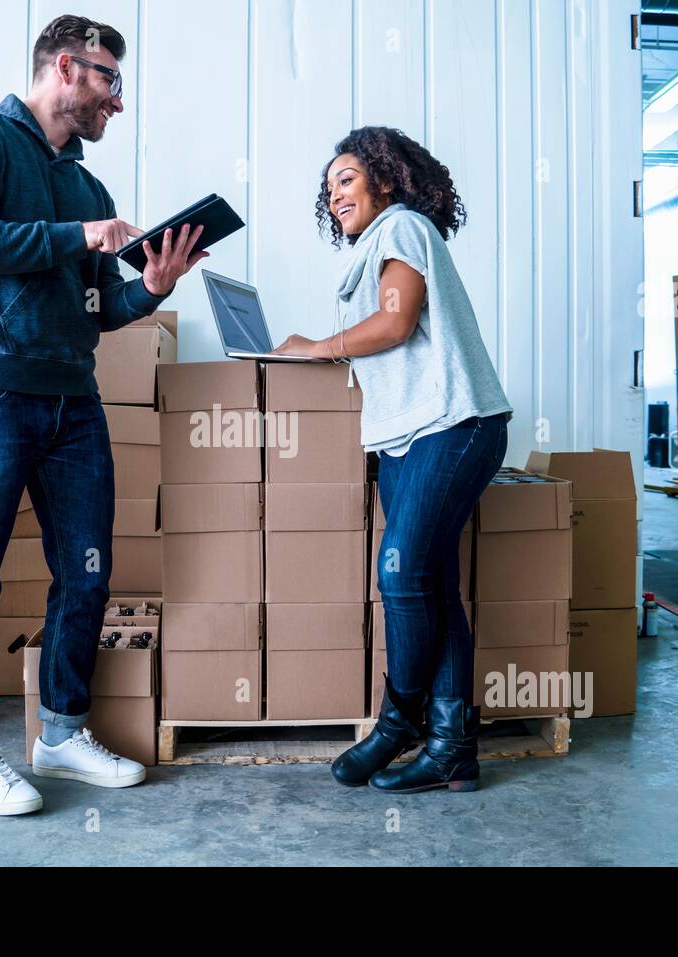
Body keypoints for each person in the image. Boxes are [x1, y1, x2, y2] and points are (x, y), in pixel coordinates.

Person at [0, 14, 207, 816]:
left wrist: (152, 287)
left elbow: (100, 306)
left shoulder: (88, 187)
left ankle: (62, 731)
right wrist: (77, 234)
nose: (118, 101)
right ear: (66, 68)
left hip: (73, 400)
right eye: (109, 80)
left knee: (86, 572)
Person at [273, 127, 512, 793]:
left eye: (346, 179)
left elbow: (395, 322)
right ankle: (453, 750)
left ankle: (397, 720)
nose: (335, 194)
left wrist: (317, 347)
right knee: (433, 584)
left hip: (455, 423)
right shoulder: (371, 247)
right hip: (406, 433)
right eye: (329, 188)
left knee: (400, 573)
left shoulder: (402, 226)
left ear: (384, 179)